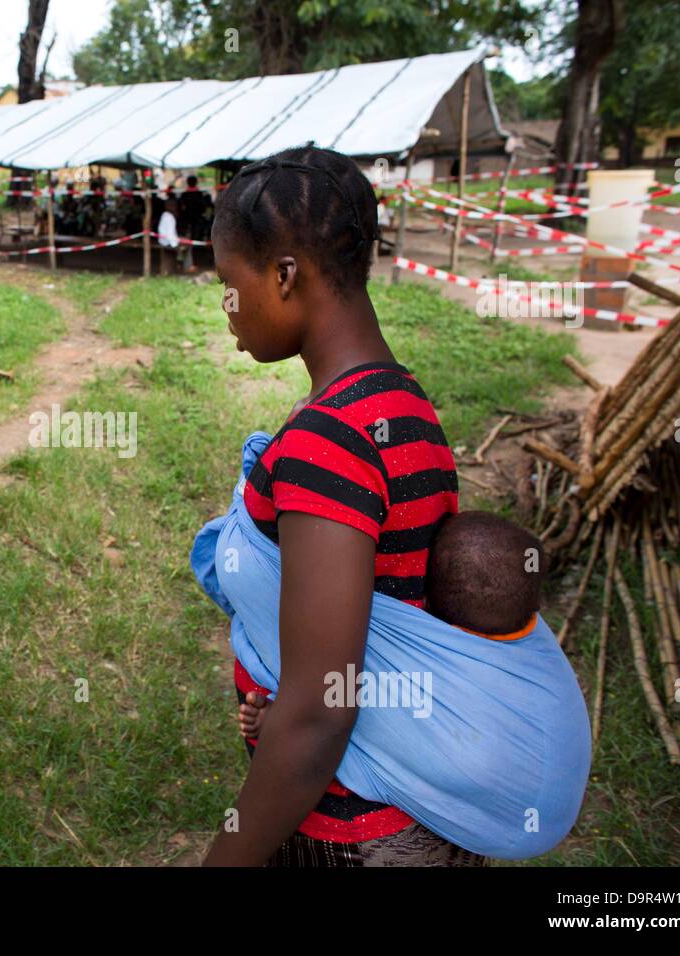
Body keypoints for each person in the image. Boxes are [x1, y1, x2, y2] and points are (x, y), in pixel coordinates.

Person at [201, 145, 466, 868]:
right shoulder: (402, 403)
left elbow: (320, 711)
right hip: (418, 803)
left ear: (285, 275)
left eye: (229, 283)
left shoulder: (329, 440)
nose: (225, 307)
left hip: (352, 832)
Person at [238, 510, 546, 741]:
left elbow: (361, 710)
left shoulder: (433, 675)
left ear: (431, 612)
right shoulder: (533, 654)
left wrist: (279, 723)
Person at [157, 197, 188, 275]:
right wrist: (176, 245)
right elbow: (170, 235)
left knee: (184, 241)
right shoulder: (170, 218)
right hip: (167, 243)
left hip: (162, 241)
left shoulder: (164, 215)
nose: (175, 208)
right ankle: (184, 266)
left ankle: (179, 264)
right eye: (174, 206)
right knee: (186, 246)